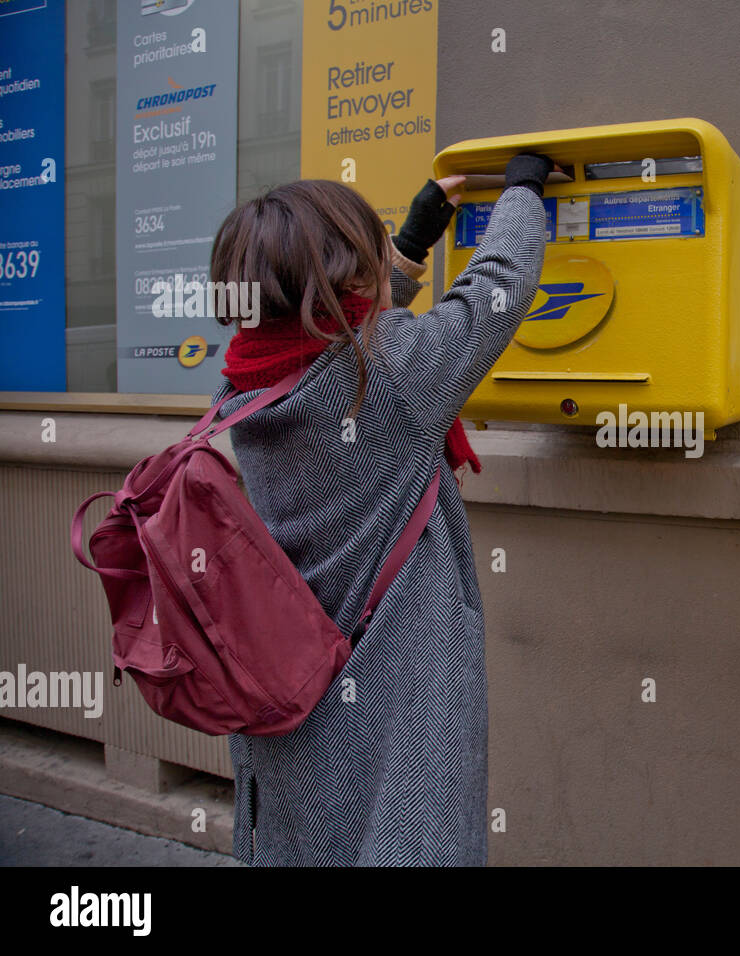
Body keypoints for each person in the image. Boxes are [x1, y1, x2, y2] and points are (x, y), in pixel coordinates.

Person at [206, 152, 555, 865]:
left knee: (311, 836)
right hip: (395, 674)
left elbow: (340, 333)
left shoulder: (246, 381)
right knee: (404, 829)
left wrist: (416, 238)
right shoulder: (389, 376)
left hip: (293, 683)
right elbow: (498, 289)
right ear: (347, 277)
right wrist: (525, 187)